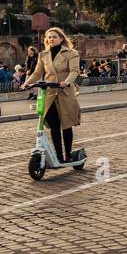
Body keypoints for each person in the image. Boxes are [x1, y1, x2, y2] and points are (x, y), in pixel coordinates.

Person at [25, 26, 82, 164]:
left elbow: (74, 71)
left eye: (54, 37)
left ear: (61, 38)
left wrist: (67, 82)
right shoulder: (43, 55)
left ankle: (68, 154)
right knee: (54, 125)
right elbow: (37, 73)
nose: (51, 39)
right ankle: (59, 156)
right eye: (49, 37)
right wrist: (27, 83)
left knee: (66, 125)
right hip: (49, 93)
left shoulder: (71, 53)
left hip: (65, 92)